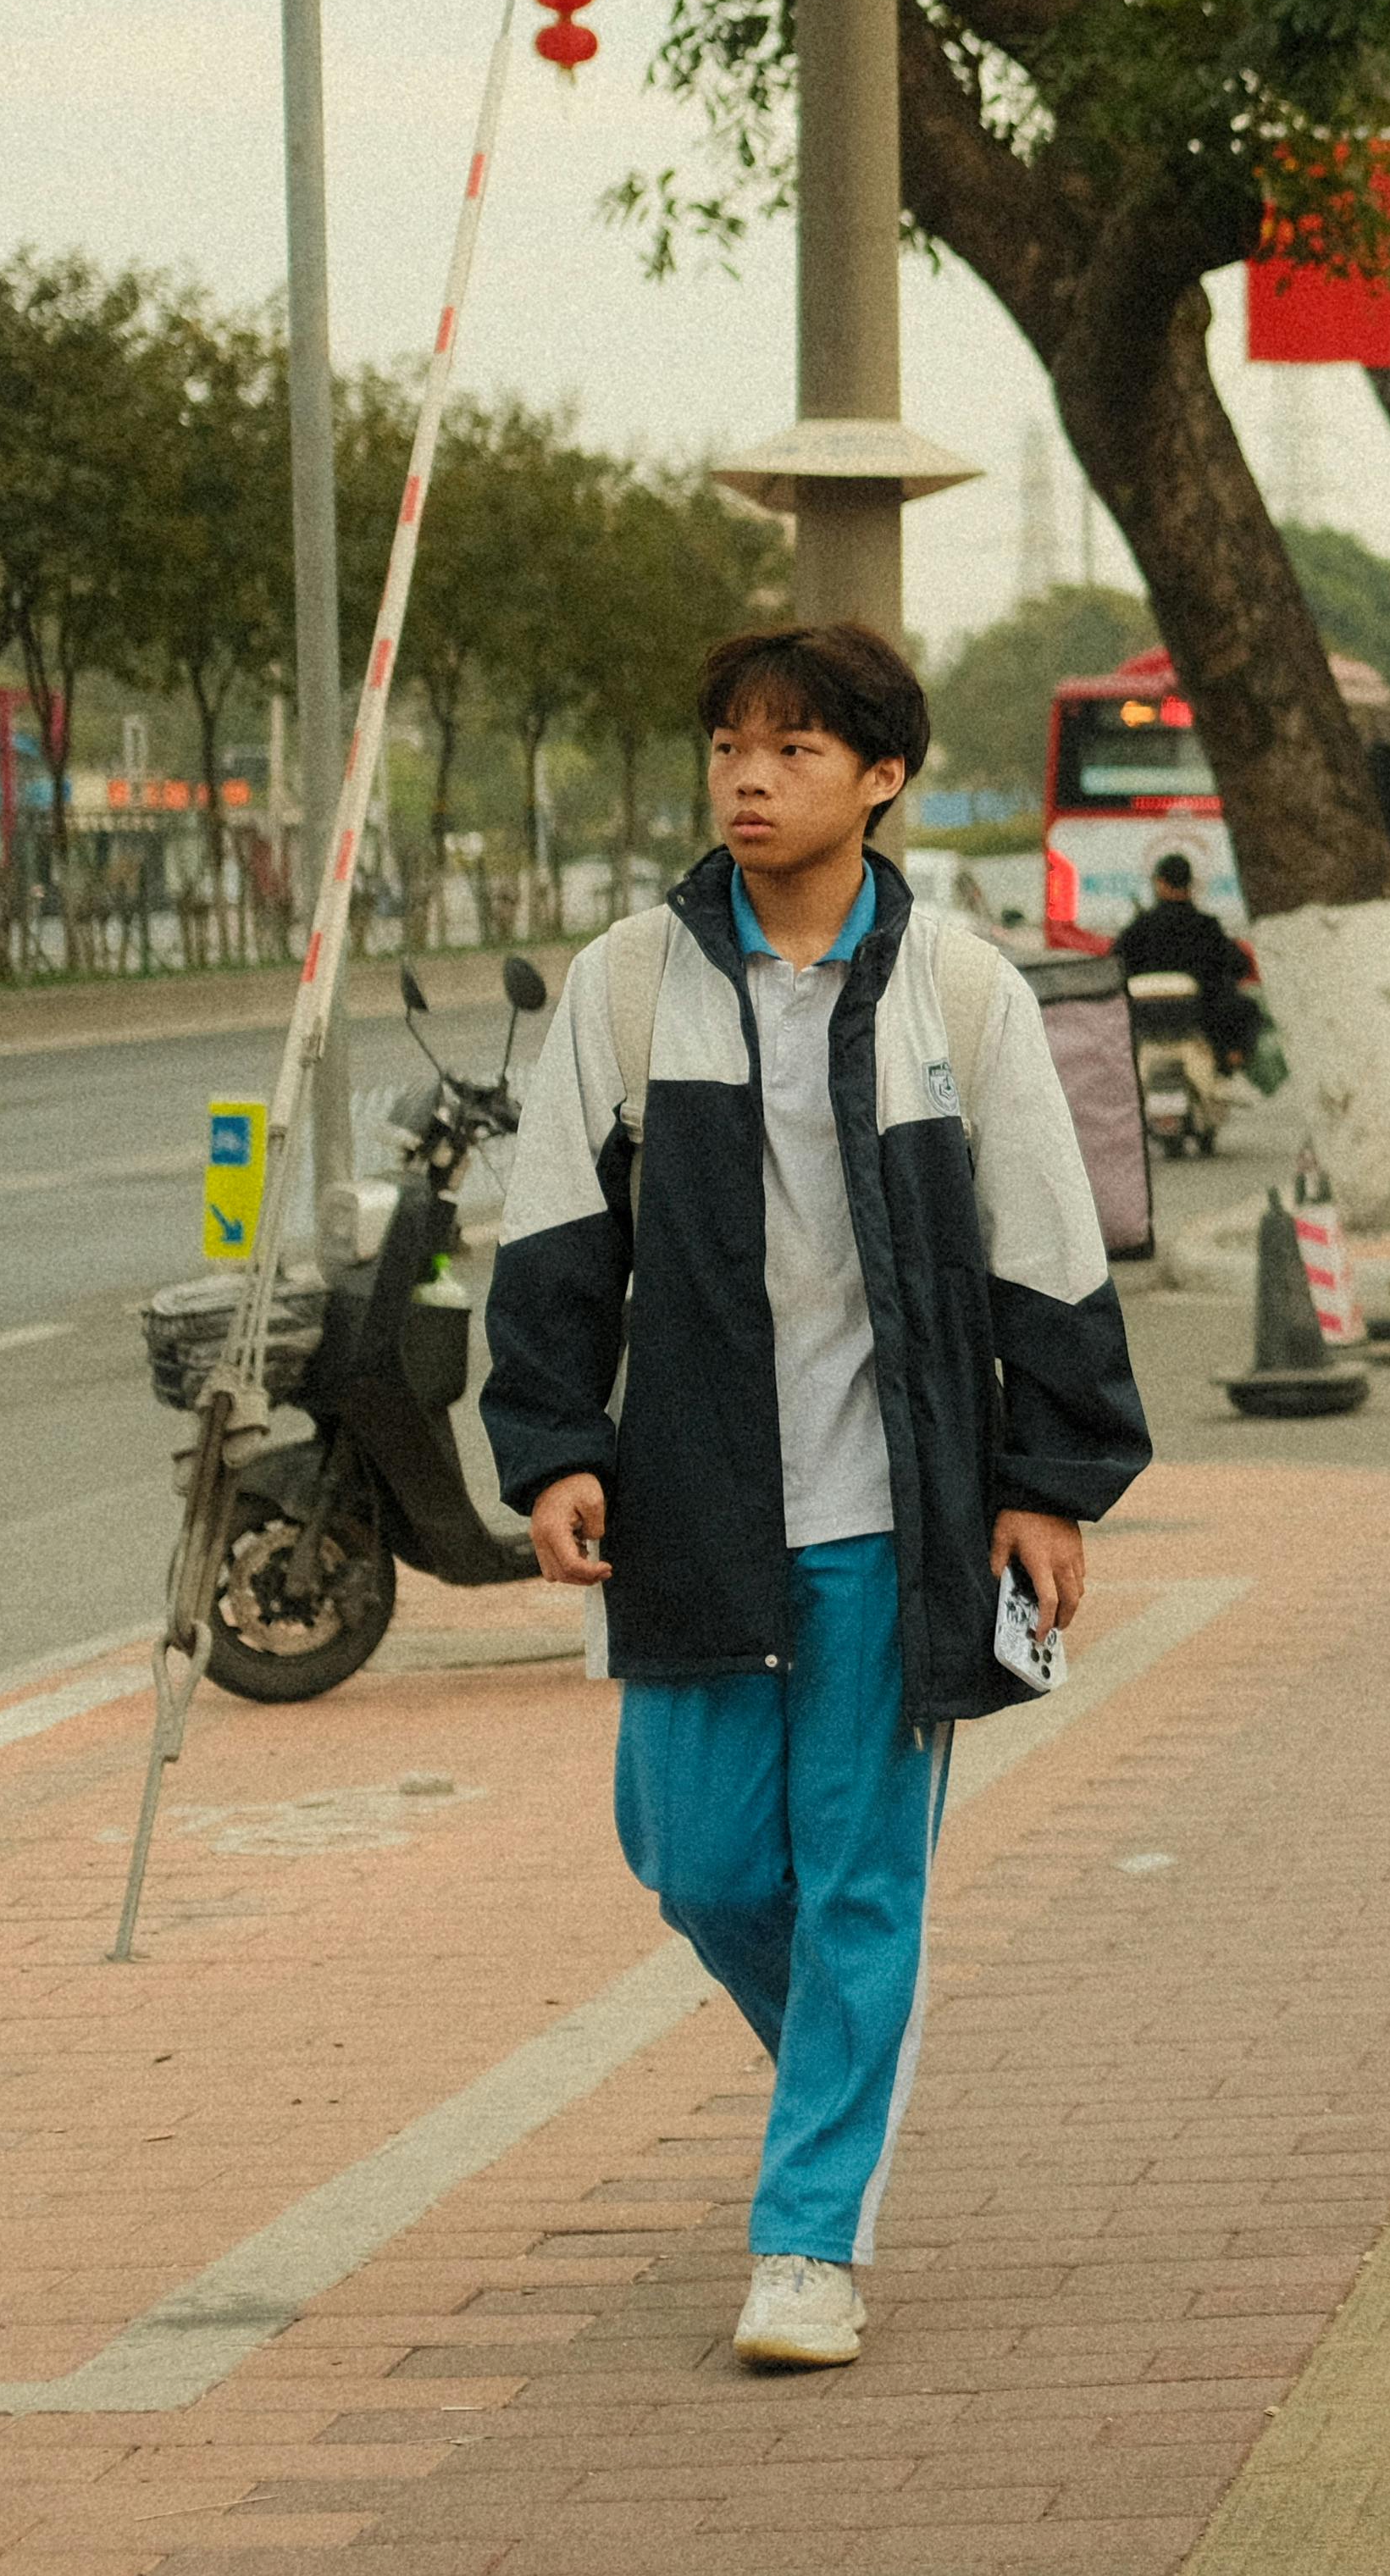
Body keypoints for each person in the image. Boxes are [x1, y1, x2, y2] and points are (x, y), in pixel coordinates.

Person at [487, 622, 1150, 2374]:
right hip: (697, 1503)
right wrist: (556, 1444)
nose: (750, 778)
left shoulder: (964, 991)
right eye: (728, 746)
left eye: (790, 749)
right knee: (696, 1864)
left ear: (882, 778)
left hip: (898, 1511)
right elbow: (551, 1232)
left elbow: (1045, 1249)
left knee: (861, 1883)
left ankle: (807, 2240)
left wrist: (1047, 1485)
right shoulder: (631, 983)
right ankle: (847, 2074)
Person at [1109, 847, 1261, 1081]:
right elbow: (1237, 965)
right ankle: (1232, 1061)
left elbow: (1114, 966)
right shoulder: (1207, 927)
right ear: (1190, 885)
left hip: (1146, 1023)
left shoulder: (1140, 929)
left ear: (1160, 883)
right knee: (1248, 1009)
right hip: (1203, 1021)